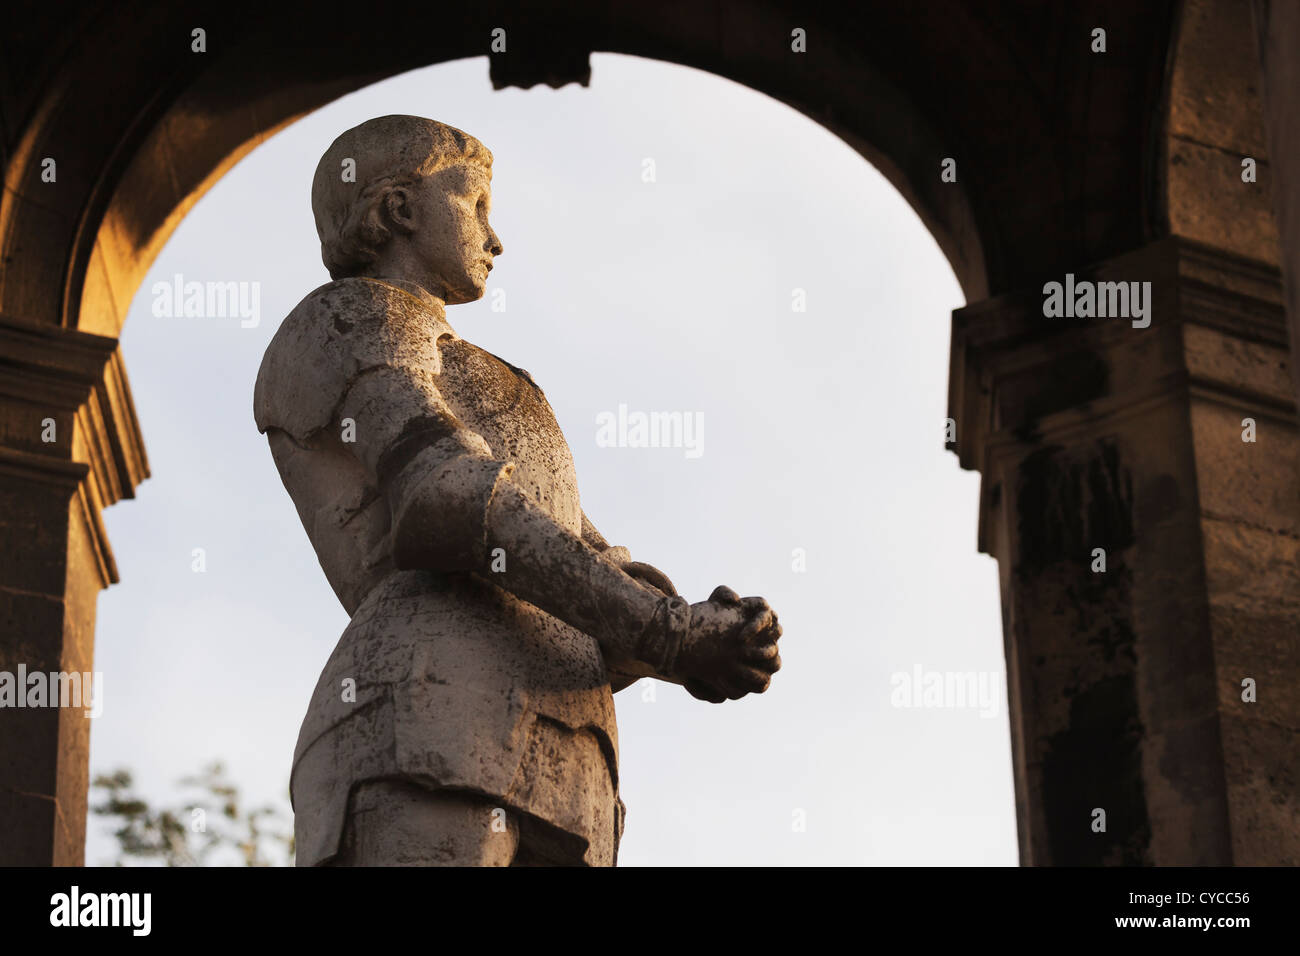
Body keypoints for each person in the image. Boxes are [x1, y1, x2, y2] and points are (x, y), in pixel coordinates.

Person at [253, 115, 782, 866]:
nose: (494, 238)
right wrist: (665, 631)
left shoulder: (490, 374)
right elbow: (446, 496)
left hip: (571, 758)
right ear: (399, 208)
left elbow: (575, 547)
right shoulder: (349, 317)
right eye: (474, 204)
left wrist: (691, 632)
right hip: (429, 719)